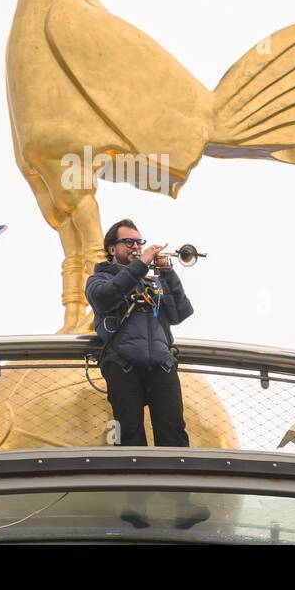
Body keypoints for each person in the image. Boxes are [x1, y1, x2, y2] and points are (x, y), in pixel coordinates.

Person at [85, 218, 209, 530]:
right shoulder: (98, 279)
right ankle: (135, 505)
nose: (137, 247)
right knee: (130, 434)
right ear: (111, 249)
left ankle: (183, 505)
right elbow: (106, 297)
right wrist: (142, 264)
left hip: (162, 366)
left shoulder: (152, 283)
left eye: (139, 242)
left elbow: (181, 313)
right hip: (123, 365)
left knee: (173, 433)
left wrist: (167, 273)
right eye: (129, 242)